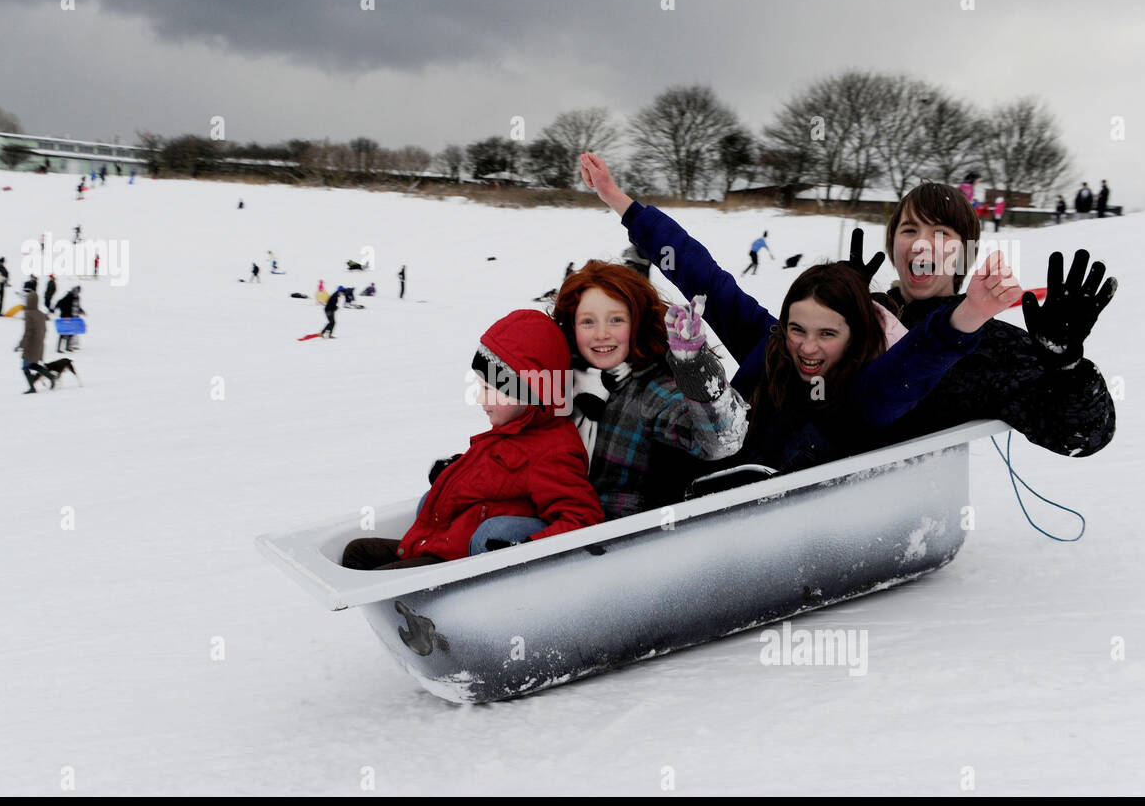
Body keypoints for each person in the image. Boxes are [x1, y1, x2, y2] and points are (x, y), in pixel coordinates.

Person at [579, 152, 1022, 474]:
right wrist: (621, 203)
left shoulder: (864, 391)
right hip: (691, 481)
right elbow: (705, 278)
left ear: (854, 338)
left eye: (828, 334)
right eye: (798, 329)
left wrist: (968, 315)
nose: (808, 346)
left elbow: (913, 366)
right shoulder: (773, 343)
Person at [341, 310, 604, 569]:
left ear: (529, 390)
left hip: (457, 565)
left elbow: (582, 519)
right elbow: (501, 481)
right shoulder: (514, 428)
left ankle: (419, 610)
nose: (480, 399)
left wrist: (526, 546)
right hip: (441, 541)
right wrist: (453, 472)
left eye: (489, 389)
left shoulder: (553, 451)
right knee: (357, 553)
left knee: (384, 579)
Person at [876, 181, 1117, 457]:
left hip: (917, 493)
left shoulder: (988, 341)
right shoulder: (855, 315)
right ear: (892, 244)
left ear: (965, 253)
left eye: (941, 233)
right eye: (909, 230)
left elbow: (1082, 433)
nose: (921, 244)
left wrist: (1067, 367)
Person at [553, 261, 749, 518]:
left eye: (616, 320)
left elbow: (721, 441)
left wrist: (694, 367)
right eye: (588, 322)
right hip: (553, 523)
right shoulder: (562, 378)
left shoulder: (649, 389)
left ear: (636, 323)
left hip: (613, 537)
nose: (601, 334)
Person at [17, 289, 56, 394]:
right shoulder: (41, 314)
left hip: (30, 345)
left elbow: (28, 332)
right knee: (32, 365)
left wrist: (21, 345)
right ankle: (50, 376)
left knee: (25, 367)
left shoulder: (28, 314)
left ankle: (32, 388)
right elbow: (44, 329)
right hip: (40, 343)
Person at [55, 286, 85, 352]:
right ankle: (58, 348)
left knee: (71, 332)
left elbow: (77, 306)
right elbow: (60, 303)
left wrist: (81, 311)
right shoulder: (68, 297)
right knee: (63, 333)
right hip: (65, 317)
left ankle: (67, 347)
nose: (77, 293)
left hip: (73, 318)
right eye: (76, 291)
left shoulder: (77, 298)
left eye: (78, 292)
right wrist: (65, 314)